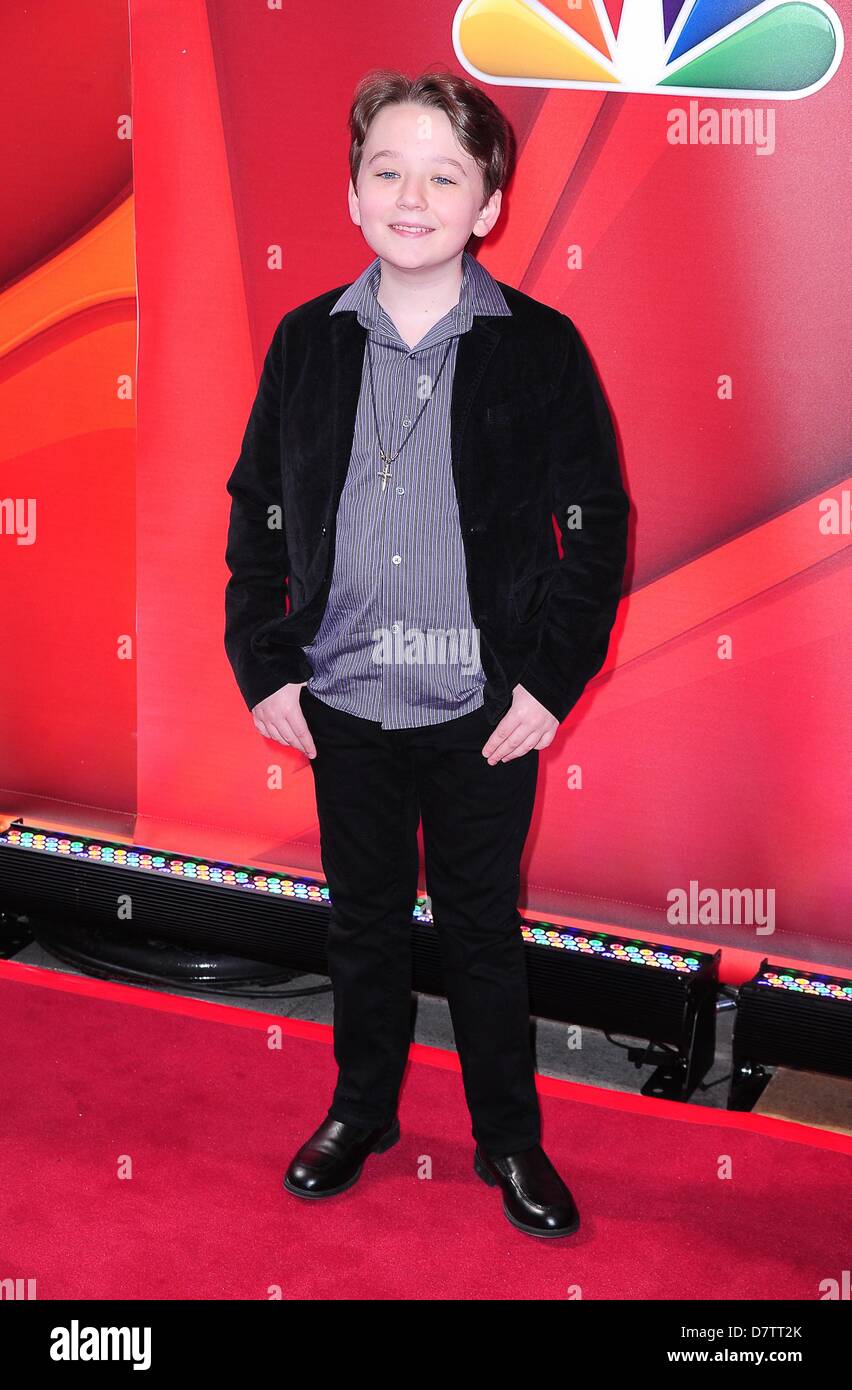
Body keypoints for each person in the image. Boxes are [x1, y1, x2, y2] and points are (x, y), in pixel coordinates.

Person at [224, 68, 630, 1239]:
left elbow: (595, 524)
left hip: (479, 708)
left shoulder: (540, 348)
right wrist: (265, 662)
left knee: (480, 931)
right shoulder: (306, 342)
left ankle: (509, 1138)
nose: (415, 194)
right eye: (388, 169)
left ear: (488, 202)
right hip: (342, 698)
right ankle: (362, 1110)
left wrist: (553, 681)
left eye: (445, 173)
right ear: (354, 194)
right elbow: (256, 507)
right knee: (360, 922)